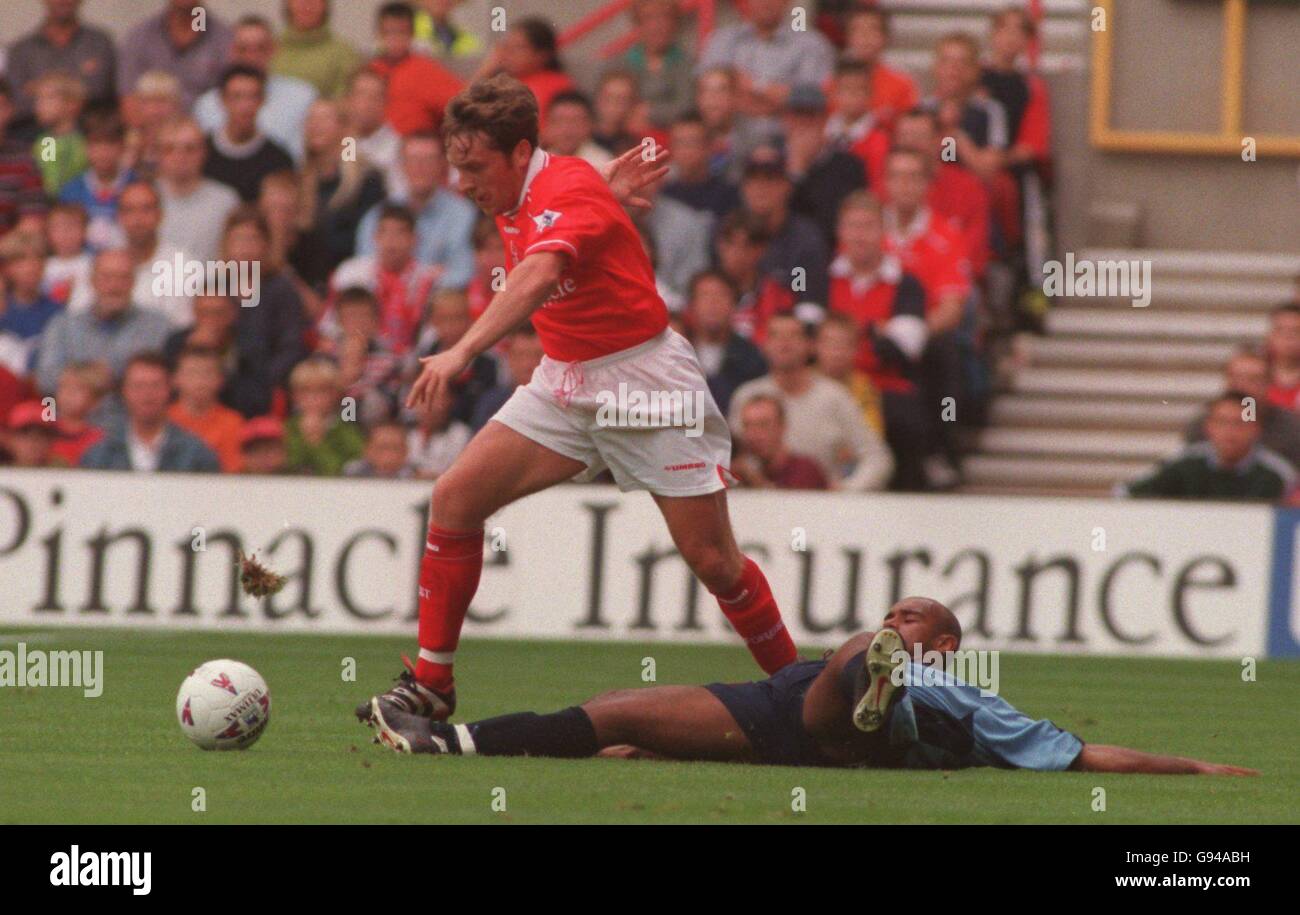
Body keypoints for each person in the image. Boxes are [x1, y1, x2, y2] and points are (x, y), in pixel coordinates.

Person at [357, 73, 800, 725]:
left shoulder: (568, 186)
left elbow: (540, 271)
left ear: (518, 153)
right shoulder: (540, 190)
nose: (464, 184)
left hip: (644, 384)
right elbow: (569, 225)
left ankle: (804, 695)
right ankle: (431, 683)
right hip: (566, 380)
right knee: (455, 498)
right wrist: (607, 197)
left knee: (715, 562)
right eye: (457, 167)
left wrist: (462, 349)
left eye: (475, 167)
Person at [365, 595, 1258, 776]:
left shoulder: (978, 699)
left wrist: (1197, 771)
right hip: (774, 711)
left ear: (946, 641)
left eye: (914, 618)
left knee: (841, 683)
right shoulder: (955, 689)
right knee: (610, 713)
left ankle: (868, 689)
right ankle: (441, 737)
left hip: (841, 725)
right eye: (896, 613)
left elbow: (1082, 754)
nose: (904, 615)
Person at [730, 313, 893, 491]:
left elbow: (877, 458)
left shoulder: (835, 396)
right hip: (757, 504)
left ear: (810, 345)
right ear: (764, 345)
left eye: (793, 336)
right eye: (775, 335)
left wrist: (846, 492)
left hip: (823, 507)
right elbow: (728, 459)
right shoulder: (746, 396)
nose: (784, 344)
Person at [35, 248, 171, 394]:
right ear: (92, 281)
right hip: (78, 414)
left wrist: (110, 376)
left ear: (133, 282)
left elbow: (171, 379)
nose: (114, 286)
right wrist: (91, 376)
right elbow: (46, 379)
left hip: (135, 415)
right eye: (107, 277)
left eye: (123, 278)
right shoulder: (63, 326)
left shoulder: (157, 326)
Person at [1120, 392, 1296, 502]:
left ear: (1255, 428)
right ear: (1208, 426)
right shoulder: (1184, 463)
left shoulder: (1277, 474)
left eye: (1239, 423)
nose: (1230, 431)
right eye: (1222, 422)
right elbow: (1126, 493)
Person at [354, 132, 476, 289]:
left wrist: (416, 284)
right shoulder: (377, 215)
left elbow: (464, 273)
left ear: (442, 165)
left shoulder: (463, 215)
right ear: (401, 165)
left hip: (440, 306)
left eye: (428, 160)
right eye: (413, 160)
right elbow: (364, 273)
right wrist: (427, 277)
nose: (420, 167)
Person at [193, 15, 318, 163]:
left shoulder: (302, 97)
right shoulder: (207, 105)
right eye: (243, 49)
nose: (252, 57)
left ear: (274, 49)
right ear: (230, 51)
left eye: (260, 48)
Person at [80, 351, 220, 472]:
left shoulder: (197, 455)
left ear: (169, 389)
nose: (147, 394)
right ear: (124, 391)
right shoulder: (99, 455)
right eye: (138, 386)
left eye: (155, 385)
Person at [4, 0, 118, 133]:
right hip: (32, 136)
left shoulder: (100, 43)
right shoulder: (21, 50)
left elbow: (108, 95)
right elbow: (16, 101)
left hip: (92, 135)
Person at [369, 1, 464, 136]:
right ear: (379, 34)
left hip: (417, 149)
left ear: (412, 34)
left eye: (401, 32)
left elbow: (464, 101)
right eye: (388, 32)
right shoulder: (370, 71)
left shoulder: (425, 70)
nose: (395, 39)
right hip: (373, 148)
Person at [118, 0, 233, 108]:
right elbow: (128, 99)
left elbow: (233, 98)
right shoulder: (140, 37)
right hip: (152, 125)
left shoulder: (224, 39)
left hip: (208, 126)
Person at [155, 119, 241, 262]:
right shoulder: (141, 201)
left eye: (190, 149)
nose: (180, 157)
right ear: (158, 154)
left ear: (203, 153)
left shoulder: (226, 202)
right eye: (169, 149)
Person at [683, 269, 767, 415]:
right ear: (692, 306)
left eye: (721, 296)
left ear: (734, 305)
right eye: (705, 296)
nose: (713, 304)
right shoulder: (678, 353)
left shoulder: (752, 358)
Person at [167, 345, 245, 472]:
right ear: (175, 379)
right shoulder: (164, 419)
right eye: (192, 373)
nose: (200, 381)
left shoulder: (233, 422)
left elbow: (233, 471)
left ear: (220, 380)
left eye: (208, 373)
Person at [732, 394, 828, 490]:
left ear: (782, 427)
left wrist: (753, 479)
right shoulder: (738, 472)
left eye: (763, 425)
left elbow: (785, 502)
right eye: (747, 426)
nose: (753, 434)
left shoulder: (804, 470)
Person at [272, 0, 362, 100]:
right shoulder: (268, 48)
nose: (306, 5)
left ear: (326, 6)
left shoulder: (344, 54)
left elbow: (347, 101)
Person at [2, 399, 65, 468]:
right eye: (25, 435)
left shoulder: (63, 471)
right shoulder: (2, 470)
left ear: (51, 440)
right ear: (10, 439)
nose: (33, 443)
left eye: (41, 435)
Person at [344, 420, 416, 478]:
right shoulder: (353, 474)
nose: (388, 456)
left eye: (395, 448)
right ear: (367, 450)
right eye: (382, 448)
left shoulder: (415, 477)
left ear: (406, 451)